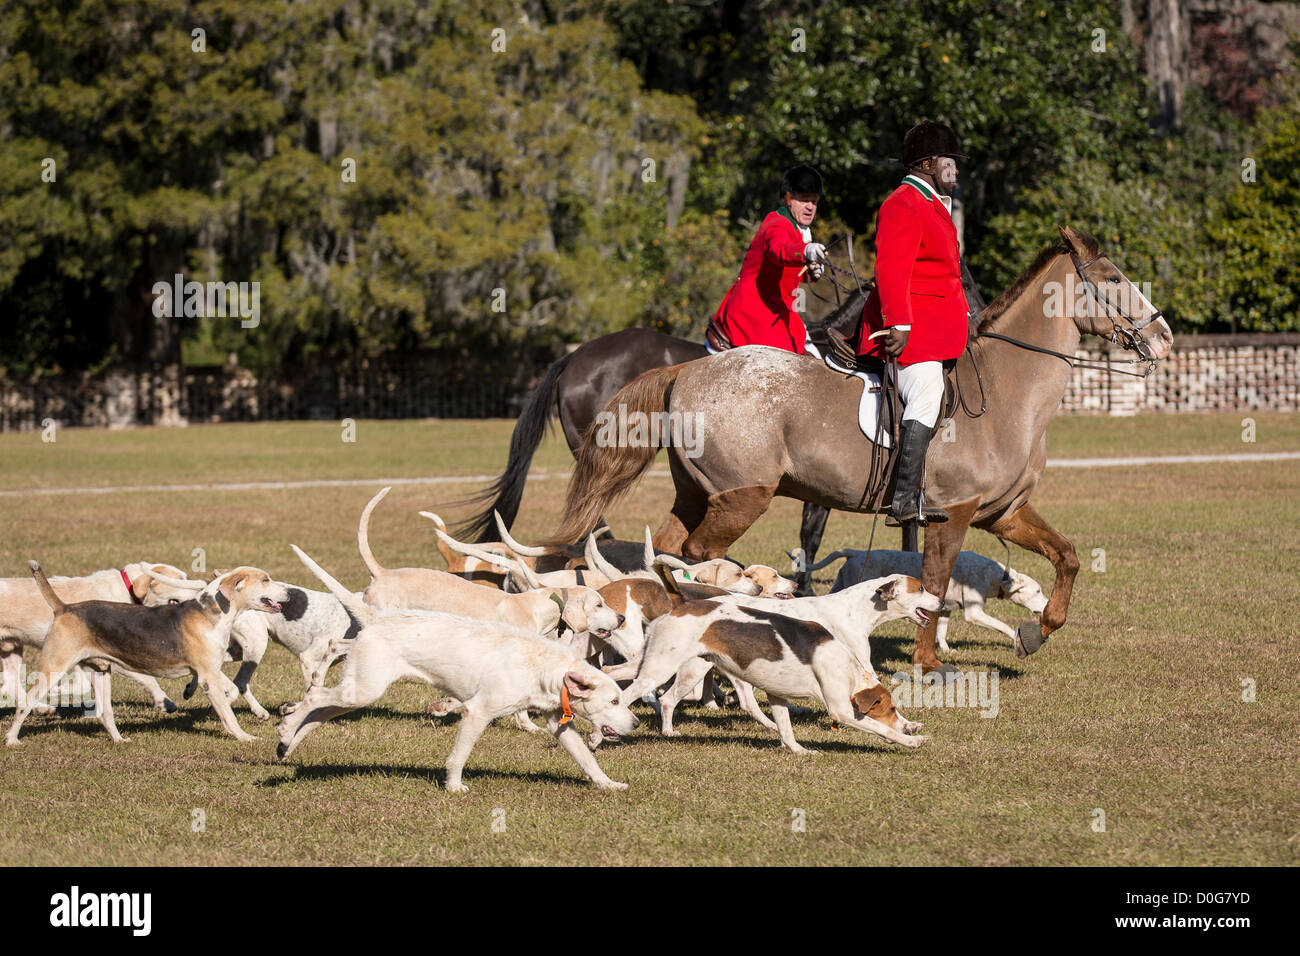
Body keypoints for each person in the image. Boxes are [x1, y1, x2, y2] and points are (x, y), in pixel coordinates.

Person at [858, 121, 970, 526]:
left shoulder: (932, 203)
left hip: (937, 327)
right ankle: (903, 499)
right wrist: (898, 325)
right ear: (926, 163)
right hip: (910, 331)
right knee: (927, 389)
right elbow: (891, 269)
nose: (956, 170)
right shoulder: (903, 202)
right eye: (950, 162)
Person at [708, 164, 828, 354]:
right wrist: (806, 251)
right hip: (755, 312)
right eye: (804, 200)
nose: (810, 207)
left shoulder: (801, 231)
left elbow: (786, 271)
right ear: (788, 198)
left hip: (780, 312)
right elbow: (779, 250)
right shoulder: (777, 223)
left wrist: (811, 273)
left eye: (814, 201)